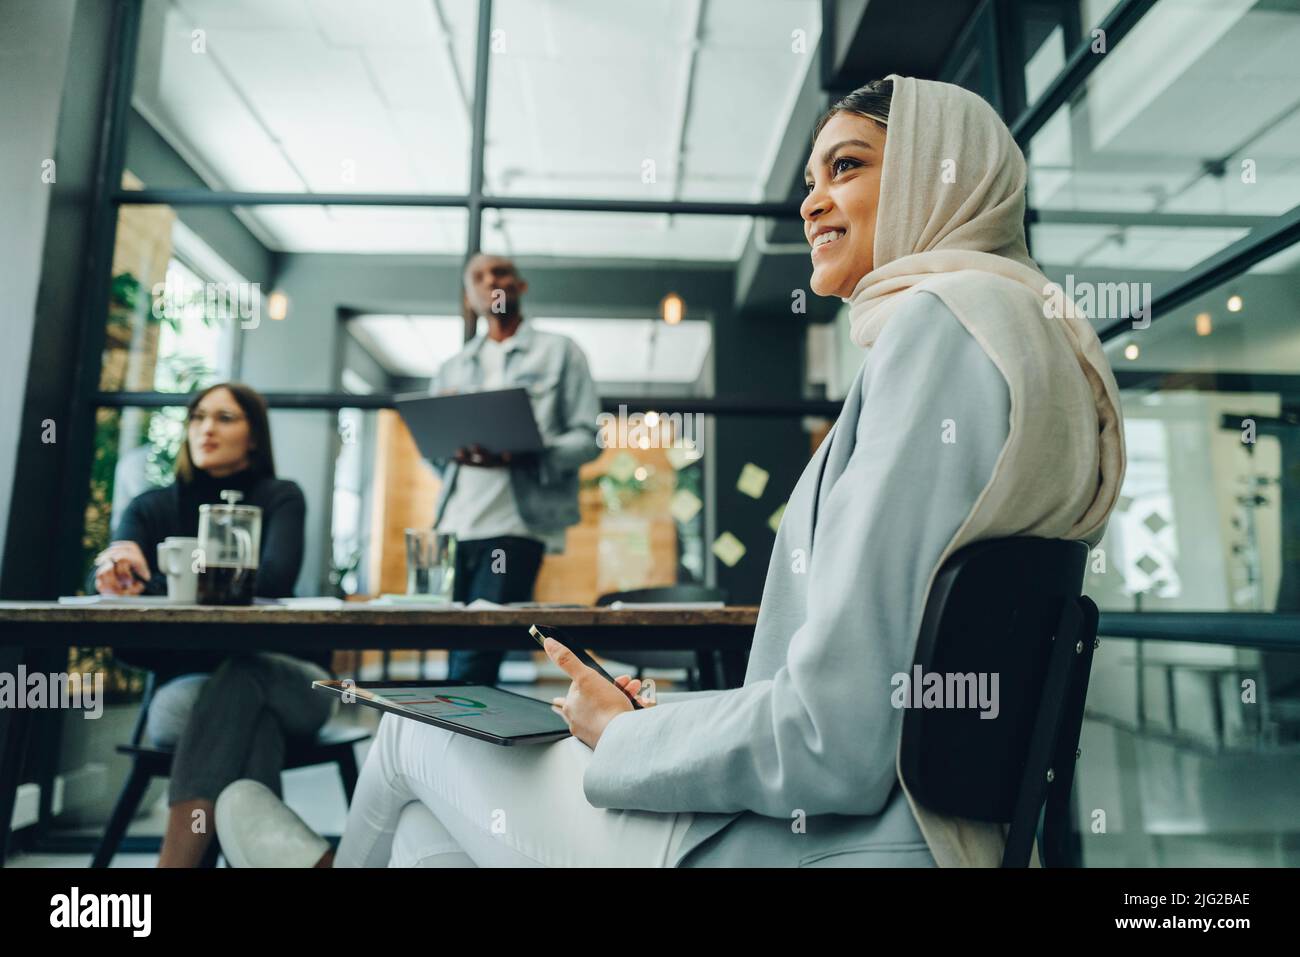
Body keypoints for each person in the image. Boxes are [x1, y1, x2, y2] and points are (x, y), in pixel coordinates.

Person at [213, 75, 1126, 868]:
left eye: (845, 167)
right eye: (808, 180)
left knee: (415, 729)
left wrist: (634, 732)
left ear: (942, 172)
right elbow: (871, 679)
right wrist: (676, 714)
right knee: (421, 843)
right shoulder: (1031, 338)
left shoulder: (939, 334)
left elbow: (833, 737)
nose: (808, 204)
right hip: (892, 819)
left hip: (838, 834)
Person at [92, 382, 334, 867]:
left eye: (225, 418)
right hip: (192, 694)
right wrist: (116, 569)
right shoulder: (151, 507)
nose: (206, 428)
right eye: (199, 416)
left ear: (254, 437)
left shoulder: (279, 498)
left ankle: (175, 863)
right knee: (247, 711)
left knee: (246, 674)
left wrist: (162, 589)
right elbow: (122, 602)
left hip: (292, 682)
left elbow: (271, 580)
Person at [430, 252, 601, 685]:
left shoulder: (560, 353)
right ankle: (456, 744)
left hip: (517, 530)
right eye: (479, 277)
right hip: (452, 529)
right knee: (451, 651)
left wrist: (525, 453)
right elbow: (434, 452)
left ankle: (467, 745)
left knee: (476, 659)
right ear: (470, 297)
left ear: (520, 286)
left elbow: (588, 439)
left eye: (501, 272)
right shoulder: (451, 369)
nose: (491, 281)